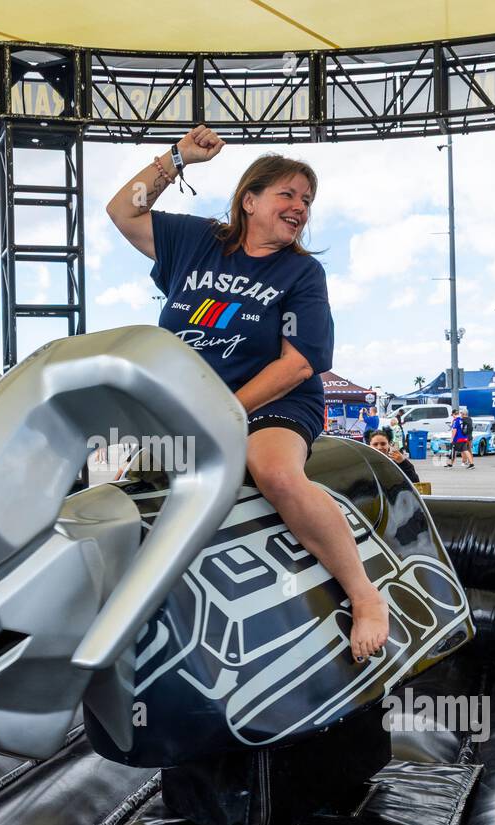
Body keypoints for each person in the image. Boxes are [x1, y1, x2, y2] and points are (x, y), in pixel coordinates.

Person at [106, 125, 389, 661]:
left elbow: (299, 362)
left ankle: (364, 593)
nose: (299, 206)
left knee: (276, 471)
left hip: (274, 402)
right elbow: (124, 210)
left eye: (307, 200)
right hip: (195, 405)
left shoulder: (302, 272)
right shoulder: (197, 242)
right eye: (287, 194)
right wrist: (178, 157)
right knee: (120, 477)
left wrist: (227, 413)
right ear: (249, 199)